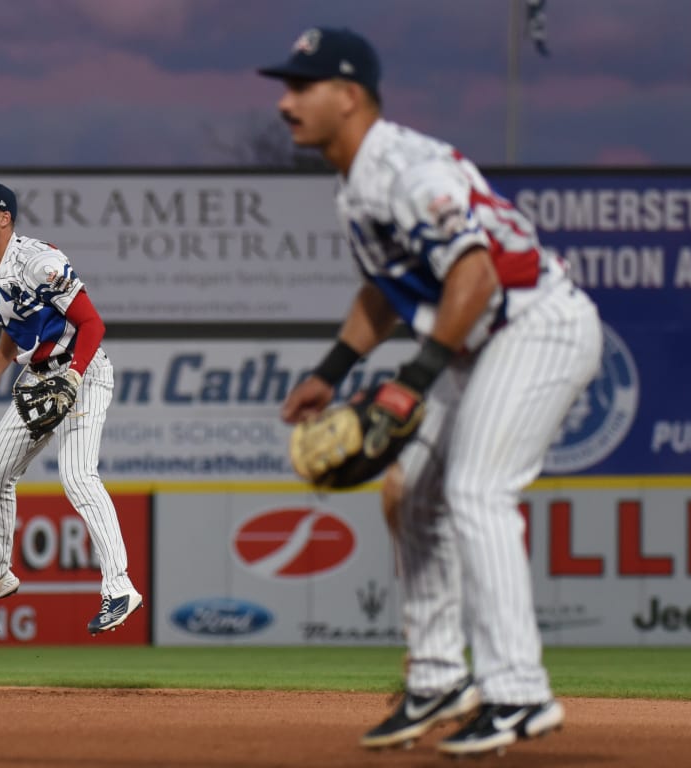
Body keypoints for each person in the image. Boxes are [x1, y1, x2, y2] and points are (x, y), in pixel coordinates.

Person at [262, 27, 602, 757]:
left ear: (349, 96)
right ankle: (441, 678)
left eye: (302, 87)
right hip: (484, 338)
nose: (286, 103)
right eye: (287, 87)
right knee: (410, 495)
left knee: (478, 491)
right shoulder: (356, 182)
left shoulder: (407, 172)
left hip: (535, 324)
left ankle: (519, 692)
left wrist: (412, 382)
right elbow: (386, 291)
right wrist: (331, 370)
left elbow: (475, 276)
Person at [0, 179, 143, 636]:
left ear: (4, 219)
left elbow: (92, 324)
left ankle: (120, 589)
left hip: (82, 371)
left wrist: (73, 377)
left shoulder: (41, 262)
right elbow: (15, 326)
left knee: (78, 476)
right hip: (37, 378)